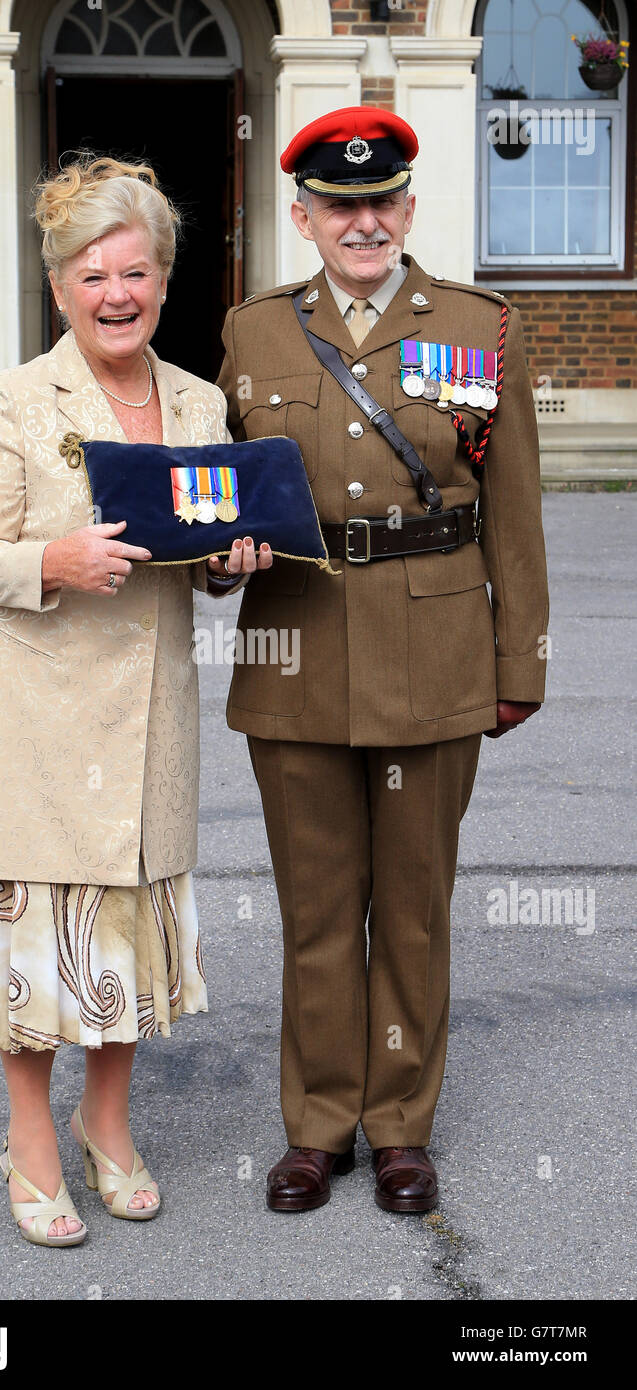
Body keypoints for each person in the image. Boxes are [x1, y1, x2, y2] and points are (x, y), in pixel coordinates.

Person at [0, 154, 271, 1247]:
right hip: (36, 726)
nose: (116, 294)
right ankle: (30, 1135)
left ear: (165, 280)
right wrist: (51, 557)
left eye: (135, 271)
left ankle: (107, 1122)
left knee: (118, 945)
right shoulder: (16, 402)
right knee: (35, 948)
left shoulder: (198, 402)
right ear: (59, 286)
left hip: (147, 730)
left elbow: (203, 541)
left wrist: (233, 562)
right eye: (93, 275)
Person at [217, 107, 549, 1213]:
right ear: (303, 215)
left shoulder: (477, 324)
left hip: (436, 647)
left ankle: (400, 1123)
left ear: (406, 207)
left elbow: (514, 510)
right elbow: (220, 505)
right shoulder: (253, 333)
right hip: (296, 647)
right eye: (337, 205)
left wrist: (520, 660)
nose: (362, 222)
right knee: (316, 907)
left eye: (381, 201)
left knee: (411, 905)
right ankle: (318, 1126)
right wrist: (218, 563)